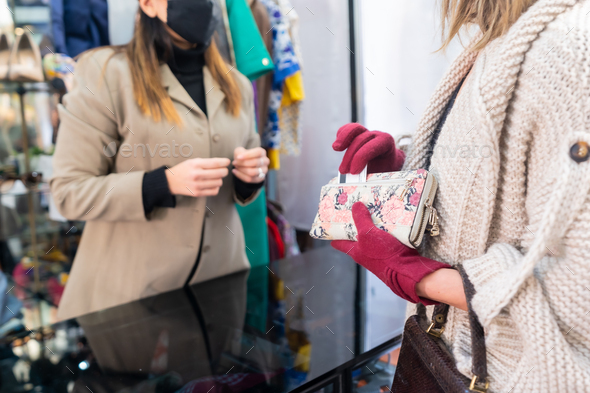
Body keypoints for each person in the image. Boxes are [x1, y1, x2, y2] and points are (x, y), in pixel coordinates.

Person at [331, 0, 590, 391]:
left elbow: (579, 297)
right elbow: (502, 206)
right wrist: (404, 181)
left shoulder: (570, 51)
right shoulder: (500, 40)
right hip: (458, 359)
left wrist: (419, 278)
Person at [50, 0, 269, 320]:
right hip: (133, 301)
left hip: (221, 294)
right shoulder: (105, 73)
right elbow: (68, 192)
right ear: (148, 4)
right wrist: (162, 183)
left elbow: (244, 177)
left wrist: (251, 176)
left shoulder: (236, 84)